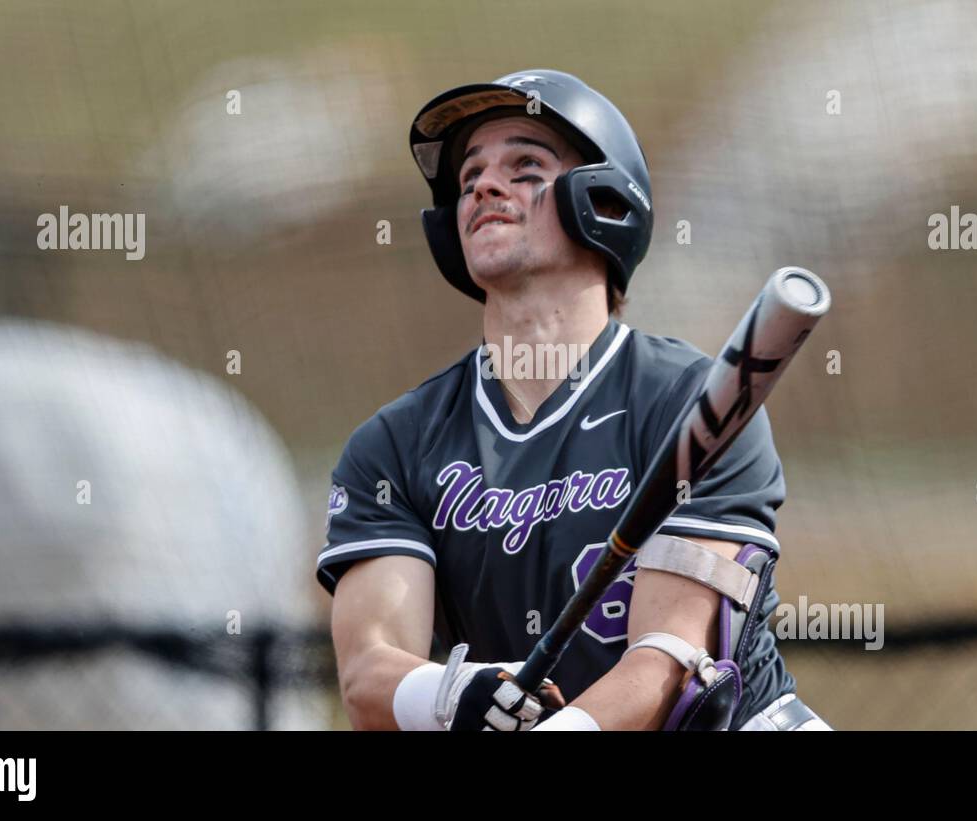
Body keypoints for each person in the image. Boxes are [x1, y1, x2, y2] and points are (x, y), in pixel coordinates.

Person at [317, 69, 829, 731]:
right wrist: (462, 693)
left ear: (605, 200)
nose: (483, 185)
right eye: (470, 174)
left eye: (525, 165)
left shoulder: (687, 404)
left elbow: (670, 660)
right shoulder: (394, 445)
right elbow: (368, 672)